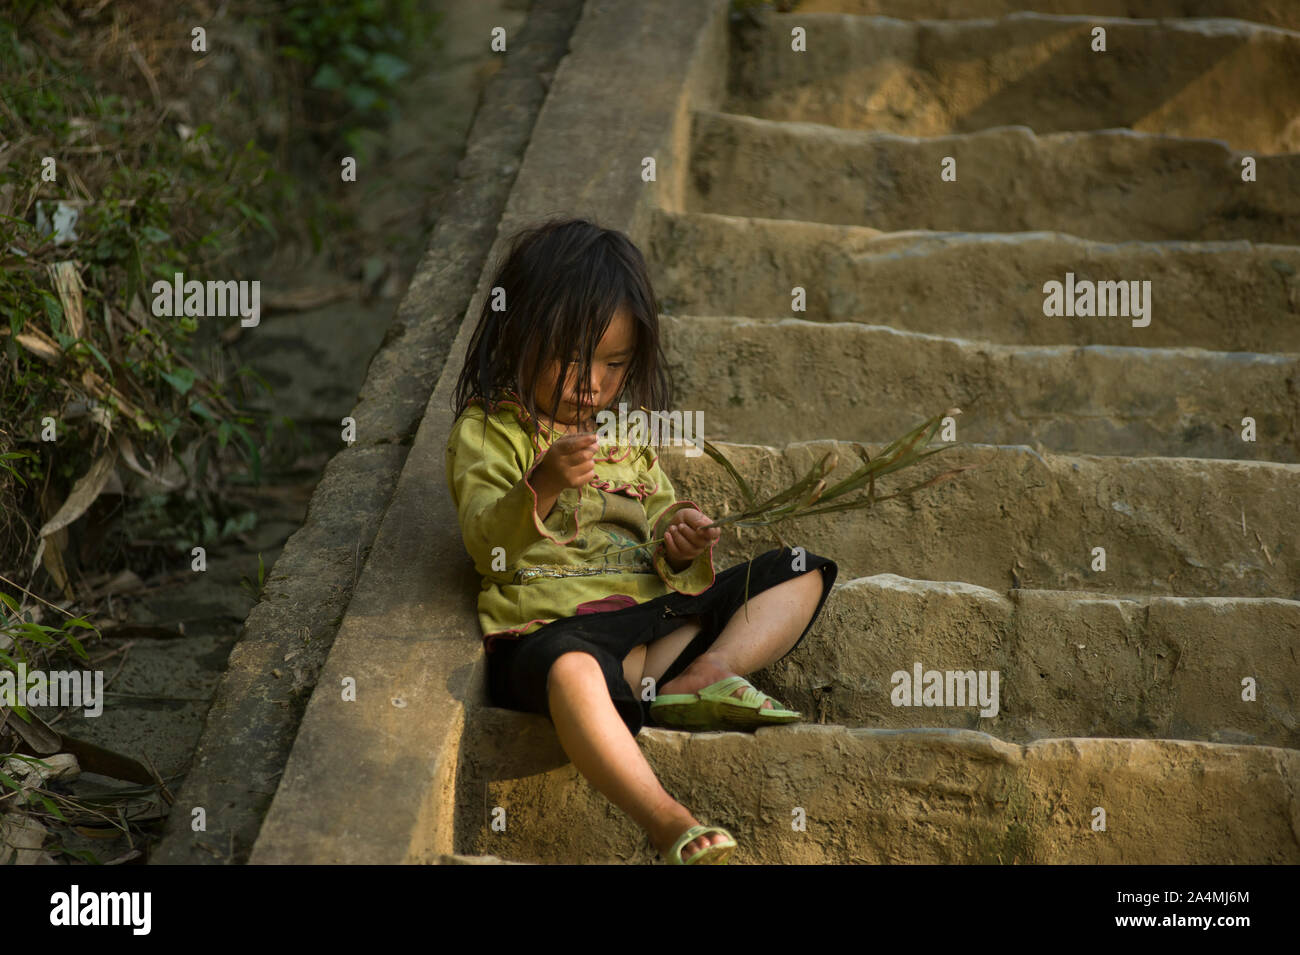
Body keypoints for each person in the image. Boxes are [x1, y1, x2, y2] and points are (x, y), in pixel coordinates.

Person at [445, 216, 838, 865]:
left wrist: (680, 540)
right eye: (571, 358)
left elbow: (658, 523)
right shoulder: (489, 433)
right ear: (517, 333)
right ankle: (666, 818)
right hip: (558, 628)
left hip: (655, 631)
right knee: (570, 669)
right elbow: (484, 539)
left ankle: (703, 677)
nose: (591, 383)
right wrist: (539, 485)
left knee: (800, 568)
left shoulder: (622, 439)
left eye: (614, 364)